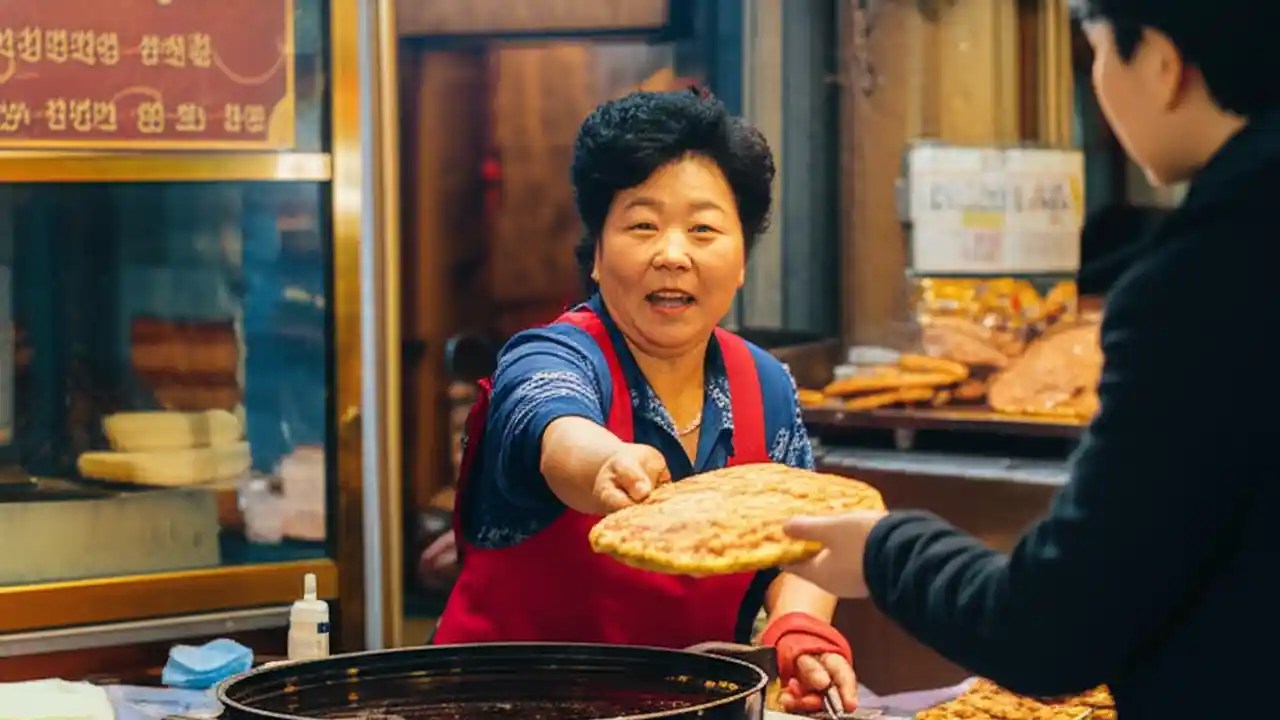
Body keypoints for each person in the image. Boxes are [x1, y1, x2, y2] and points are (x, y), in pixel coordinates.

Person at [783, 2, 1280, 717]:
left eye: (1101, 51)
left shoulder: (1206, 279)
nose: (1100, 79)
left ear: (1165, 67)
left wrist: (885, 551)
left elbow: (1053, 627)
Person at [432, 88, 859, 714]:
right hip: (498, 706)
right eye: (642, 225)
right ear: (599, 256)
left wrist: (796, 627)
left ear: (742, 260)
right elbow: (554, 427)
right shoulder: (550, 355)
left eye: (705, 229)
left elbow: (801, 544)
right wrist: (607, 466)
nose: (673, 255)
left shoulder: (765, 385)